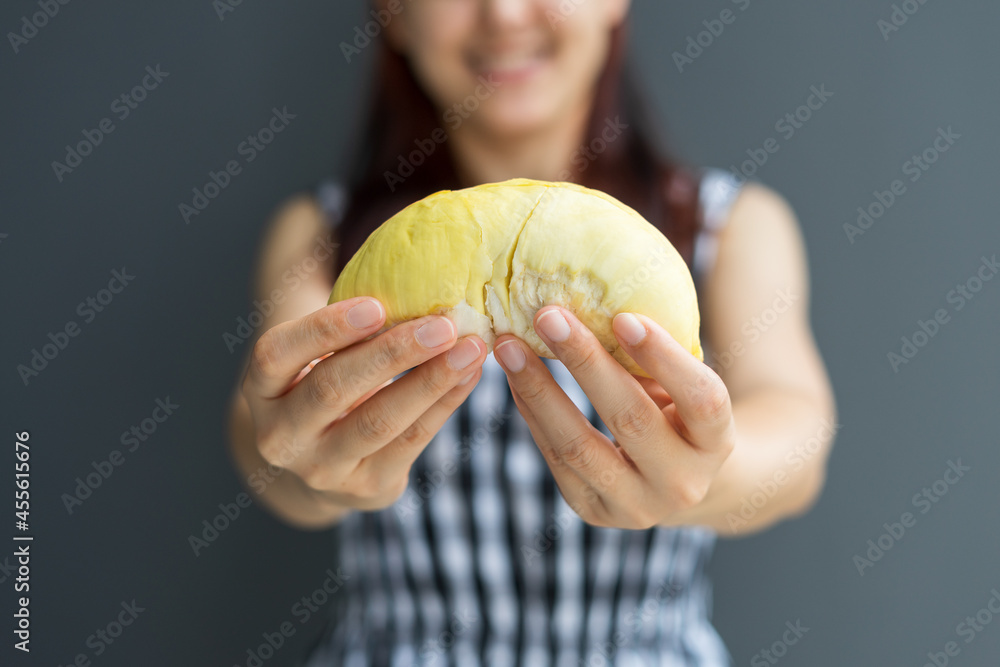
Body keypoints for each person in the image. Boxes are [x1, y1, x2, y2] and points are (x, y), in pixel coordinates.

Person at [227, 1, 837, 664]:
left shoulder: (729, 226)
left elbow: (797, 433)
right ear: (394, 14)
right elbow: (260, 442)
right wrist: (303, 464)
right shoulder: (321, 239)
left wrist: (713, 468)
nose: (507, 14)